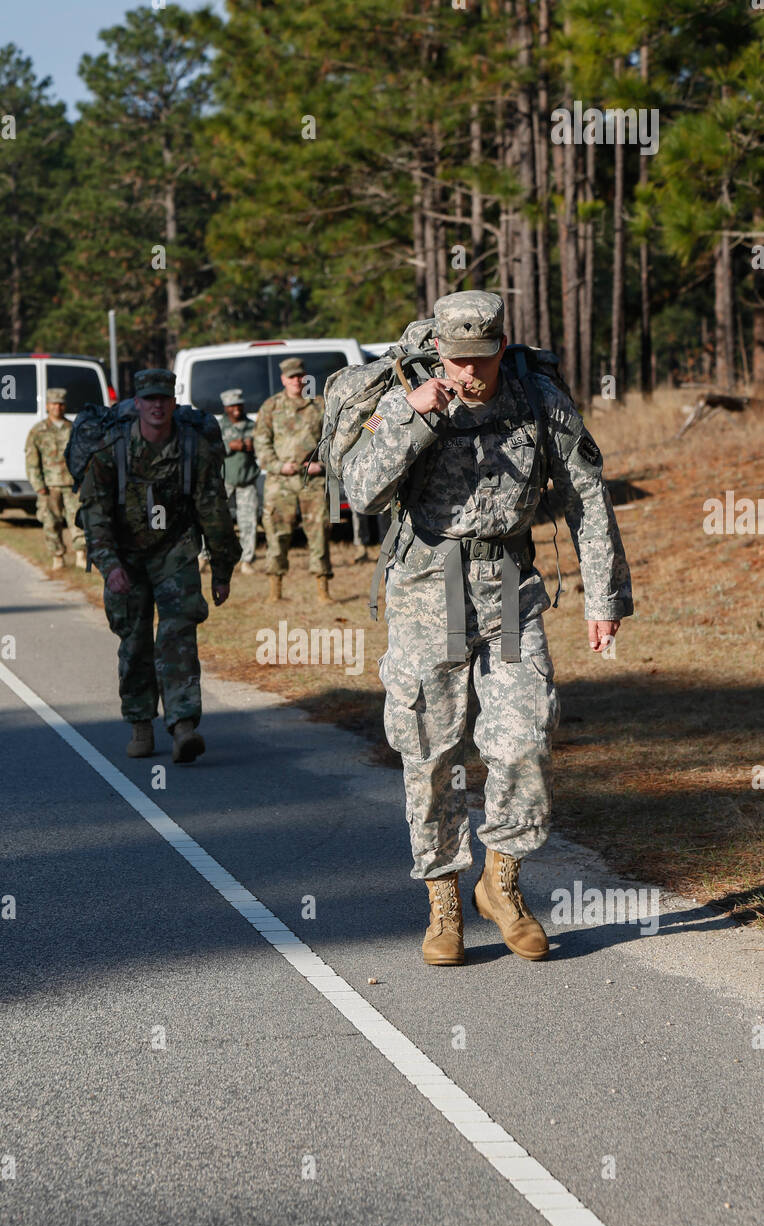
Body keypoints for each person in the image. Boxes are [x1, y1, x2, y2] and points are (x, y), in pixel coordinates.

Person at [343, 291, 633, 966]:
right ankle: (443, 898)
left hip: (507, 584)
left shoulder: (537, 399)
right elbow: (361, 493)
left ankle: (500, 883)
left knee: (526, 733)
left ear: (503, 347)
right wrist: (411, 423)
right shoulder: (408, 397)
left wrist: (603, 595)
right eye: (457, 360)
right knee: (431, 751)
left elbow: (587, 493)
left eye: (483, 358)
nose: (470, 373)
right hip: (427, 592)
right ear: (438, 351)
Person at [77, 368, 240, 764]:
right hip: (125, 555)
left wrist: (221, 571)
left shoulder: (192, 450)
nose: (157, 406)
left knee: (178, 632)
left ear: (173, 402)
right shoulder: (110, 450)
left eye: (163, 399)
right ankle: (141, 723)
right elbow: (94, 514)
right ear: (136, 404)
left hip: (175, 550)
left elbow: (213, 513)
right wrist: (109, 565)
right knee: (134, 642)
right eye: (149, 399)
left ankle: (183, 725)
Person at [254, 356, 333, 604]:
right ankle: (274, 591)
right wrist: (278, 465)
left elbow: (332, 441)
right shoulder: (271, 407)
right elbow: (261, 442)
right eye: (291, 377)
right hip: (281, 481)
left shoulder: (319, 405)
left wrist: (321, 465)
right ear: (283, 380)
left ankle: (322, 589)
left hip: (312, 480)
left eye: (300, 376)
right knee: (276, 534)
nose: (297, 381)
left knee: (319, 532)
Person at [24, 388, 85, 569]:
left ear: (64, 406)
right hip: (50, 486)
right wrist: (38, 485)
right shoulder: (38, 431)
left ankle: (81, 554)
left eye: (60, 404)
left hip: (73, 484)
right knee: (50, 521)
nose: (57, 407)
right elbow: (31, 461)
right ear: (47, 406)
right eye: (53, 404)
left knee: (79, 520)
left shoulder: (73, 429)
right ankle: (57, 556)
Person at [219, 388, 259, 575]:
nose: (236, 409)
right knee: (215, 520)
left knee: (248, 522)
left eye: (239, 405)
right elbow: (209, 449)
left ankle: (246, 560)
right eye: (232, 406)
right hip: (223, 482)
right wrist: (229, 446)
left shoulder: (252, 425)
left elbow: (263, 444)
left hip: (246, 480)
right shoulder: (219, 427)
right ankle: (207, 557)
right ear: (225, 408)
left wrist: (253, 446)